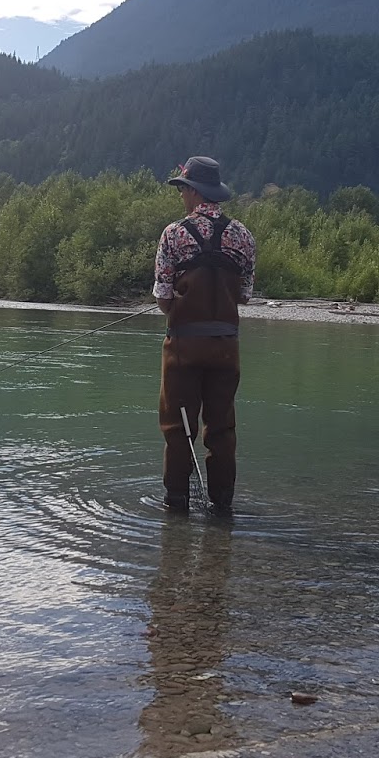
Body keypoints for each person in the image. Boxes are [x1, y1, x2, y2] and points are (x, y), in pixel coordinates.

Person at [153, 156, 256, 514]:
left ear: (193, 191)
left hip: (183, 347)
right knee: (222, 429)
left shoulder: (173, 233)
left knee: (178, 428)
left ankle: (176, 507)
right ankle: (222, 506)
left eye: (182, 189)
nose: (181, 196)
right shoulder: (243, 235)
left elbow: (163, 298)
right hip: (227, 347)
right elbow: (243, 296)